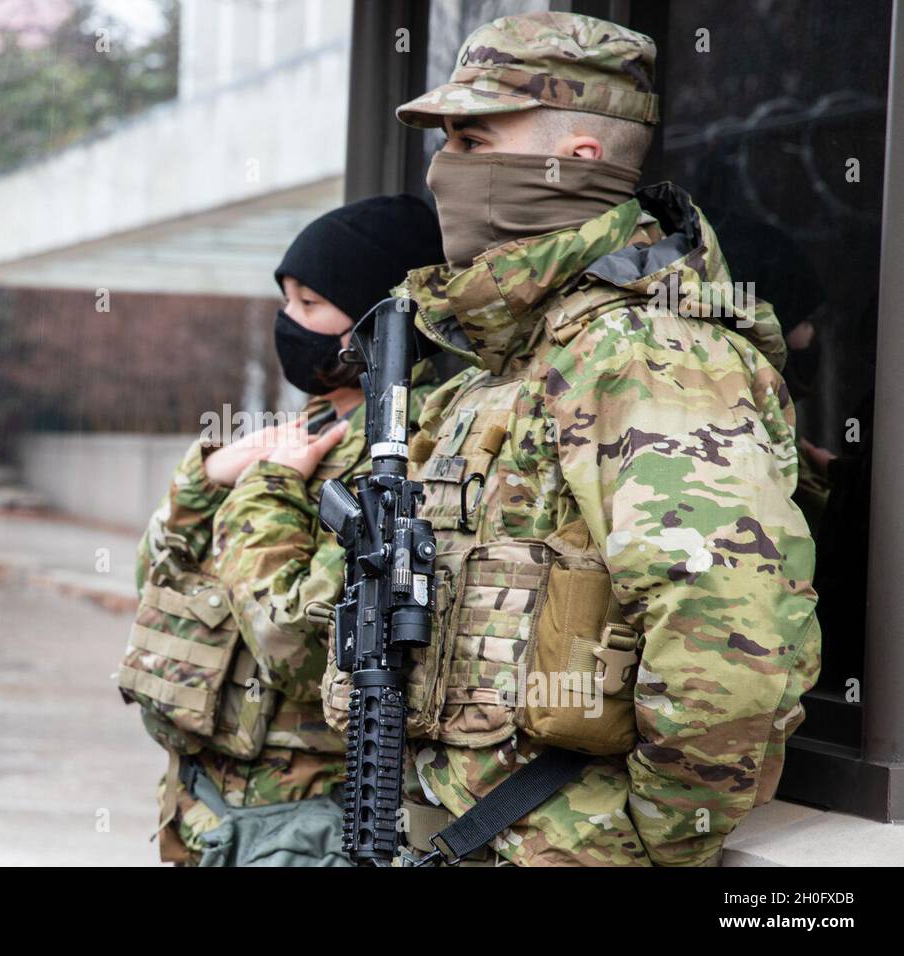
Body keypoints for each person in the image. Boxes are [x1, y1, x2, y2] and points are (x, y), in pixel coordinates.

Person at [322, 11, 820, 867]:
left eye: (473, 140)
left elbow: (727, 638)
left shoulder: (648, 354)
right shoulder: (500, 366)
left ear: (576, 162)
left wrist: (657, 845)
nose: (444, 171)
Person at [122, 195, 445, 864]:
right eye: (285, 300)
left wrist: (266, 488)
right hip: (207, 808)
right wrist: (206, 478)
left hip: (301, 821)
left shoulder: (406, 455)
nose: (287, 322)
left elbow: (294, 641)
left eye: (309, 304)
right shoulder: (310, 428)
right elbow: (160, 580)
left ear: (372, 320)